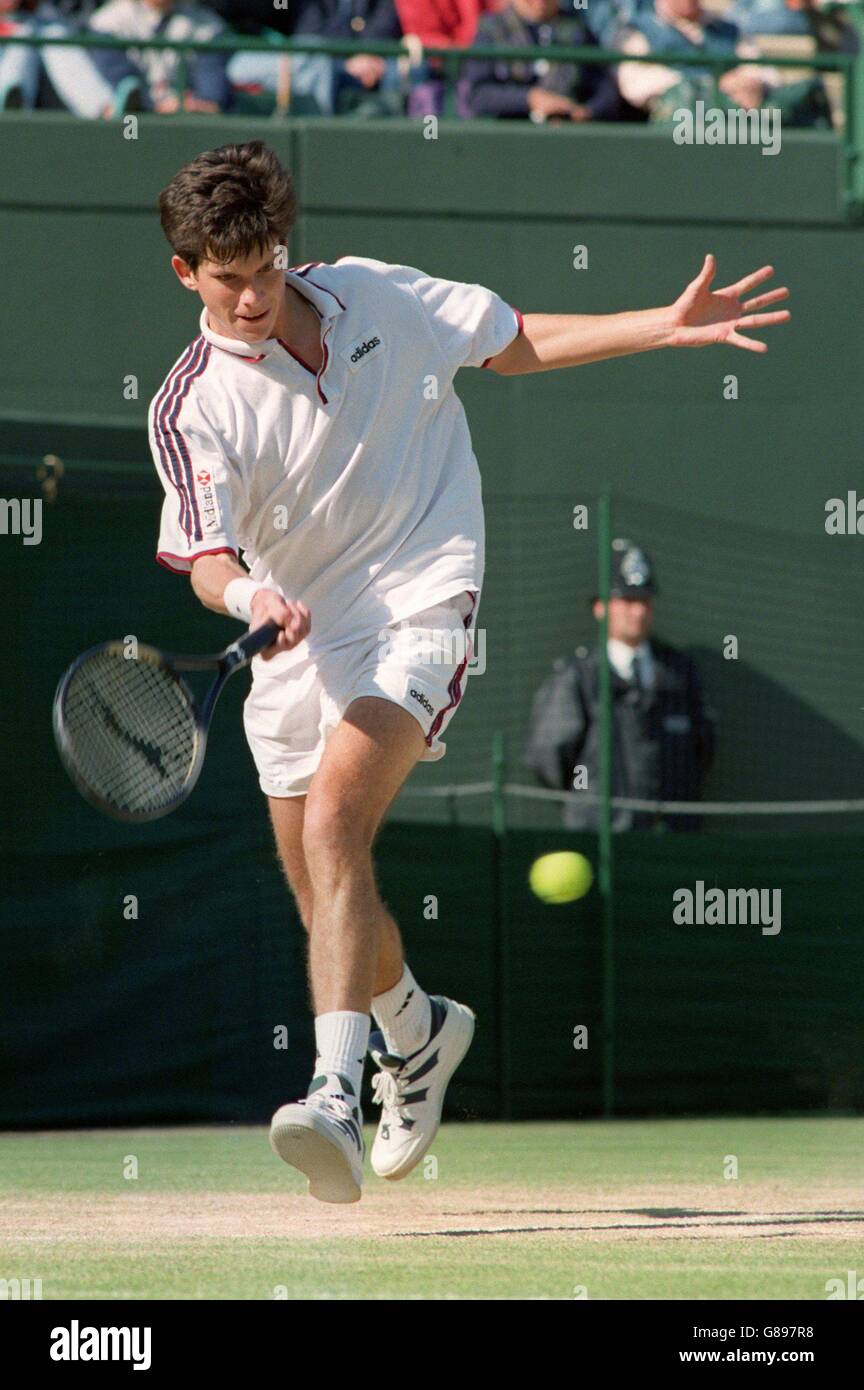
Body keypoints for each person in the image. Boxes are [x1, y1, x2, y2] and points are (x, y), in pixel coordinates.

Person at [149, 139, 788, 1204]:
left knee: (334, 828)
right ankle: (419, 1029)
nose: (255, 292)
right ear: (186, 273)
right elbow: (208, 556)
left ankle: (332, 1098)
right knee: (322, 895)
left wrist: (663, 325)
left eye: (266, 265)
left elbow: (514, 339)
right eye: (229, 277)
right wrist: (251, 595)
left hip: (421, 593)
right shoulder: (190, 407)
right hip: (294, 628)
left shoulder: (375, 298)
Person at [522, 540, 715, 832]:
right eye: (627, 600)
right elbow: (549, 753)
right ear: (600, 607)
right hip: (600, 836)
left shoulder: (679, 673)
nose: (637, 612)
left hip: (673, 839)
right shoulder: (577, 675)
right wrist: (589, 800)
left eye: (645, 601)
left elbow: (703, 747)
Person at [462, 0, 622, 121]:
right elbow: (477, 94)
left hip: (567, 136)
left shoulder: (576, 28)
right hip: (509, 136)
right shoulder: (492, 28)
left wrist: (585, 112)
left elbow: (606, 90)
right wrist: (530, 99)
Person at [87, 0, 231, 114]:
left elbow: (212, 95)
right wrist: (154, 104)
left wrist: (193, 104)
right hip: (130, 122)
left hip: (183, 119)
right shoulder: (108, 21)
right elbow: (124, 89)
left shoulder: (208, 25)